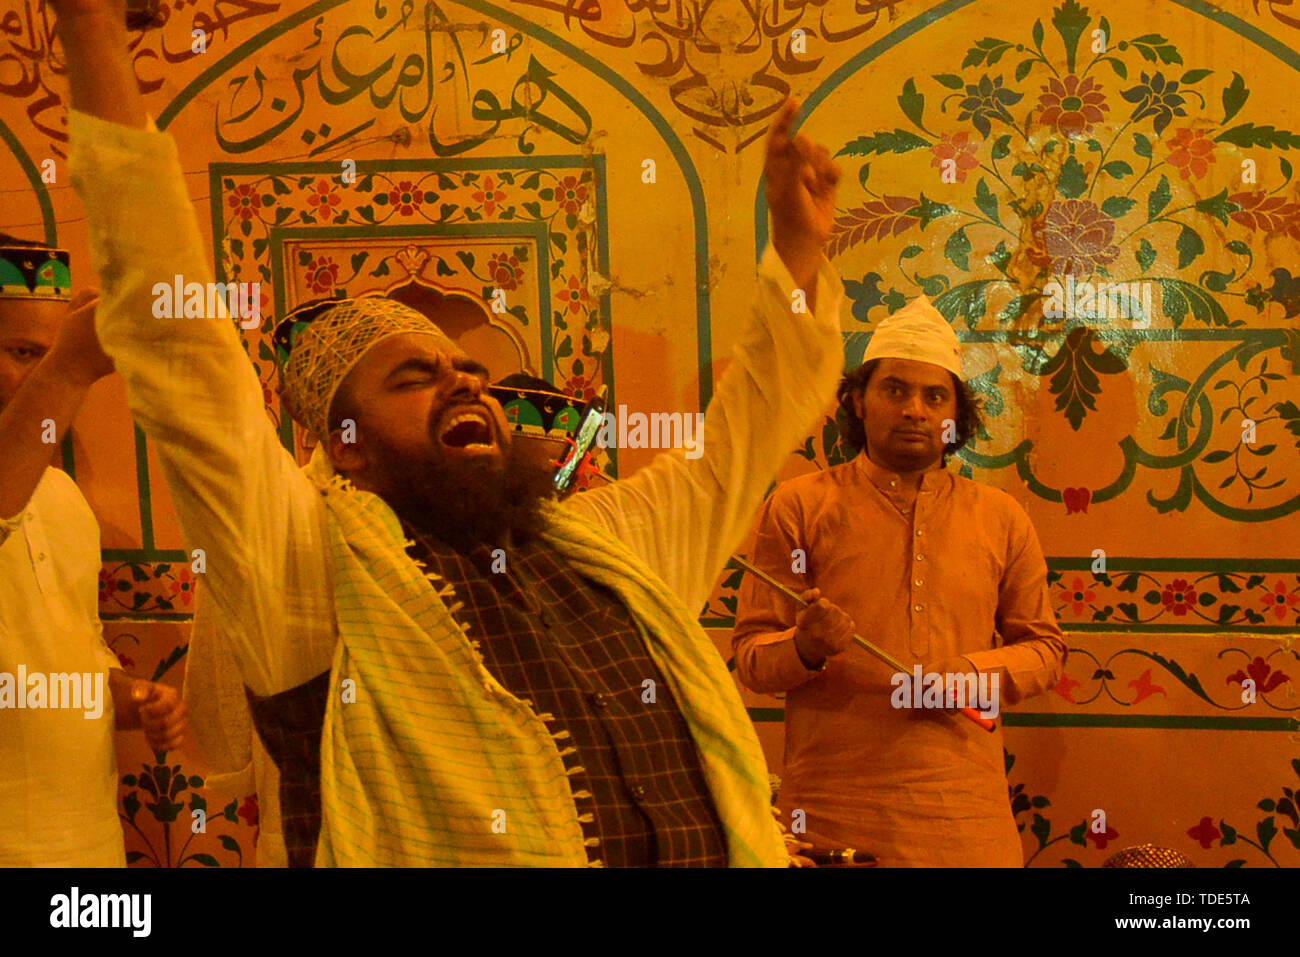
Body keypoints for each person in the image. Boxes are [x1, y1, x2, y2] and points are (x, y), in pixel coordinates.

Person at [56, 0, 846, 866]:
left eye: (469, 372)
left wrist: (799, 257)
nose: (465, 380)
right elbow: (188, 364)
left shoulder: (602, 545)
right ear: (345, 446)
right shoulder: (312, 578)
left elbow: (734, 446)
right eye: (413, 376)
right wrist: (92, 28)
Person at [731, 298, 1068, 867]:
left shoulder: (1001, 516)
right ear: (858, 401)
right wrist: (805, 647)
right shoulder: (798, 506)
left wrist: (972, 673)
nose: (914, 409)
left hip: (966, 819)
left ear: (955, 417)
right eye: (894, 390)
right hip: (829, 815)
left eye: (934, 396)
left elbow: (1046, 649)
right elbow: (750, 657)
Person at [0, 235, 190, 866]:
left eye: (53, 353)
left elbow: (64, 659)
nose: (42, 373)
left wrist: (132, 699)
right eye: (24, 352)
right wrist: (70, 366)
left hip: (86, 851)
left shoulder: (62, 498)